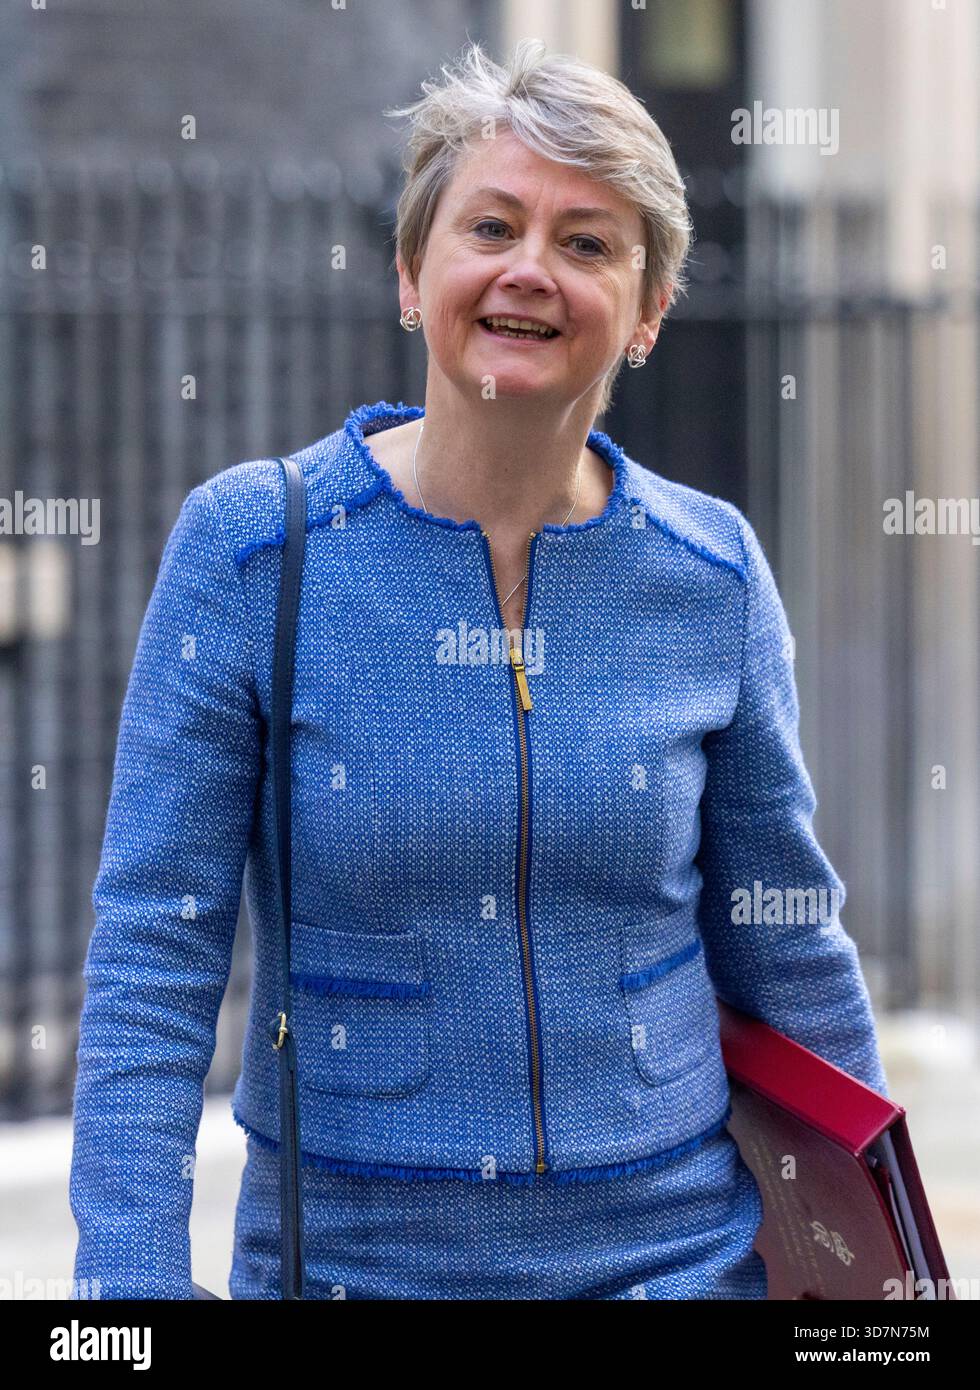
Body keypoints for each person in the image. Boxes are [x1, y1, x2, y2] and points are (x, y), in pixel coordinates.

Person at [69, 38, 889, 1301]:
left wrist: (886, 1275)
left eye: (586, 242)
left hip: (678, 1264)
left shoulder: (710, 570)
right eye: (491, 226)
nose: (528, 270)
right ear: (412, 272)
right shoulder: (253, 548)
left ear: (648, 308)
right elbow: (153, 952)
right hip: (354, 1273)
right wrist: (128, 1290)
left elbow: (784, 944)